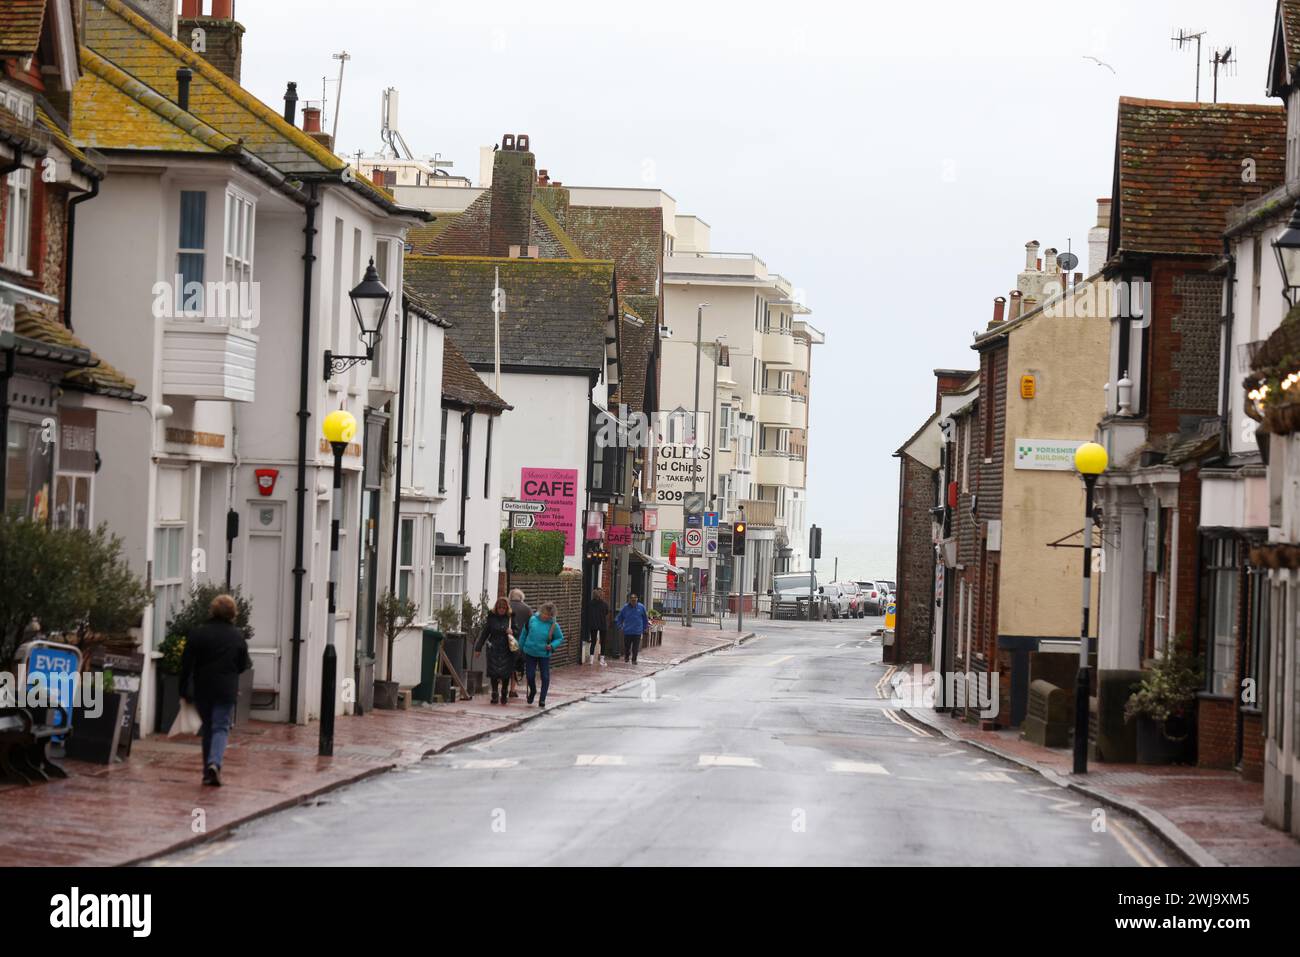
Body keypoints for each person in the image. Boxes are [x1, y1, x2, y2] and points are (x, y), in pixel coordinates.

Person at [179, 594, 251, 787]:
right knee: (220, 727)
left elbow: (186, 663)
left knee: (208, 728)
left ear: (212, 610)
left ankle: (207, 773)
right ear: (233, 613)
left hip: (203, 688)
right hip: (226, 689)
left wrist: (183, 689)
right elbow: (243, 665)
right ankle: (214, 763)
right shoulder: (237, 636)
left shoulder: (198, 633)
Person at [518, 601, 564, 708]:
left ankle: (542, 699)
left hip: (544, 654)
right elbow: (524, 634)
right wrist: (520, 648)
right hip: (530, 652)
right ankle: (533, 690)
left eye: (549, 615)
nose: (546, 616)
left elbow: (559, 638)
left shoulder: (553, 625)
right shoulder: (532, 620)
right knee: (530, 675)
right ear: (541, 611)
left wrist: (552, 645)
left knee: (545, 676)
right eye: (545, 613)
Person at [475, 596, 516, 705]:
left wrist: (512, 632)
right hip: (493, 648)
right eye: (499, 608)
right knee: (493, 672)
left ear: (507, 608)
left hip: (507, 649)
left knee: (506, 673)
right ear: (496, 608)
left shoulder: (511, 618)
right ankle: (494, 693)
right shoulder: (491, 618)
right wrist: (478, 648)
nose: (501, 610)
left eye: (504, 608)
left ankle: (504, 693)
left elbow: (517, 632)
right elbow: (485, 633)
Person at [507, 588, 531, 699]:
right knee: (516, 665)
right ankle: (512, 689)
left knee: (505, 664)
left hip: (507, 639)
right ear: (521, 597)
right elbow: (531, 626)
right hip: (520, 641)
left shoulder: (505, 606)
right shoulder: (527, 609)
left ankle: (502, 688)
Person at [615, 592, 650, 665]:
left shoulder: (641, 607)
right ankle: (627, 657)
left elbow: (645, 618)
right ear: (630, 600)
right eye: (632, 600)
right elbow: (619, 617)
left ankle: (634, 659)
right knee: (627, 647)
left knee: (635, 647)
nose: (634, 602)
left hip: (637, 631)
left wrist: (645, 627)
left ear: (637, 599)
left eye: (635, 600)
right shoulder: (625, 607)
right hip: (627, 631)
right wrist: (620, 626)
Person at [585, 588, 609, 667]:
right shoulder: (604, 604)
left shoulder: (590, 603)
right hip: (602, 624)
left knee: (593, 641)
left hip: (593, 624)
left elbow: (587, 613)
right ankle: (602, 660)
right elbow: (606, 612)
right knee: (603, 642)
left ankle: (591, 660)